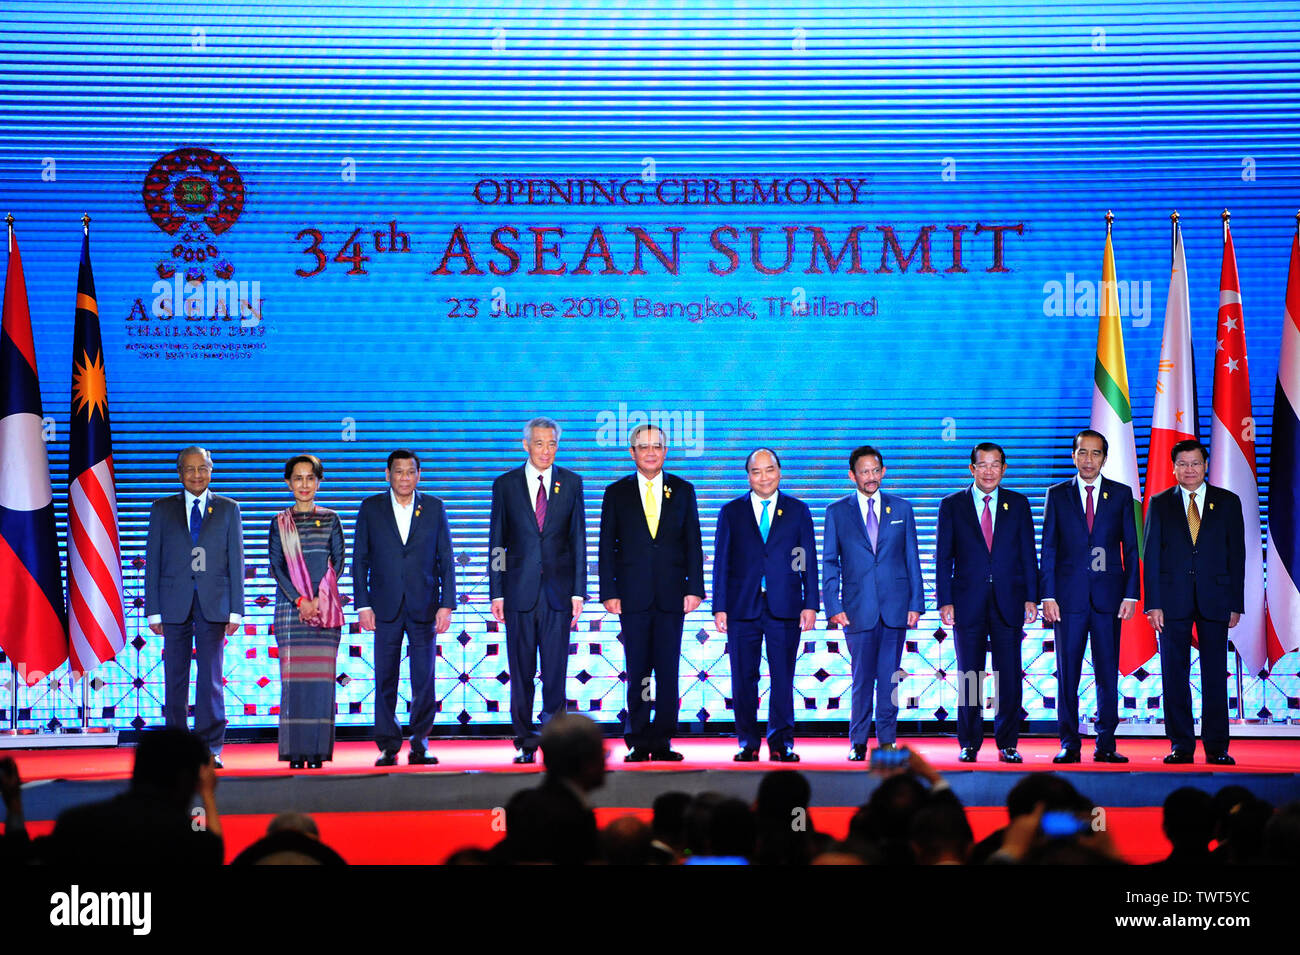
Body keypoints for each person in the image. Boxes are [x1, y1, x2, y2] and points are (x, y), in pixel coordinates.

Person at [598, 424, 704, 762]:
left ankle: (663, 739)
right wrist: (609, 591)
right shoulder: (616, 493)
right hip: (633, 596)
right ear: (632, 453)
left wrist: (695, 588)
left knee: (668, 670)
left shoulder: (684, 490)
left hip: (673, 596)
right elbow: (606, 547)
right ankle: (638, 739)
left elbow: (693, 544)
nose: (650, 452)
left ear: (666, 450)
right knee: (639, 671)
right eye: (643, 447)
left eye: (657, 446)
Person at [489, 417, 587, 764]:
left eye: (552, 444)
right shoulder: (505, 485)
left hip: (559, 594)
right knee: (522, 671)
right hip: (518, 593)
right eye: (540, 443)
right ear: (525, 445)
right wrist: (497, 592)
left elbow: (578, 540)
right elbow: (498, 543)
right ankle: (526, 742)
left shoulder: (572, 483)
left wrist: (579, 592)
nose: (546, 451)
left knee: (556, 672)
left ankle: (555, 742)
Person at [1040, 429, 1139, 764]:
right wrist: (1048, 595)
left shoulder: (1121, 494)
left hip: (1109, 600)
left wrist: (1131, 594)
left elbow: (1131, 548)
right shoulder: (1057, 495)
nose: (1088, 459)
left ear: (1104, 458)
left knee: (1106, 672)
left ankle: (1106, 742)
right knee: (1067, 672)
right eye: (1082, 452)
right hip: (1067, 600)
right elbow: (1049, 550)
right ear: (1073, 455)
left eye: (1095, 453)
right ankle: (1069, 742)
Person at [1144, 439, 1245, 766]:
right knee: (1174, 673)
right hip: (1171, 601)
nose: (1189, 469)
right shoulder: (1160, 503)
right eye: (1183, 464)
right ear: (1173, 468)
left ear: (1206, 466)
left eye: (1195, 463)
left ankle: (1217, 747)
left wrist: (1235, 602)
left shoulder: (1228, 502)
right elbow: (1151, 555)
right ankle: (1181, 745)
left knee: (1215, 674)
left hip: (1216, 598)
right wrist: (1153, 603)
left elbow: (1238, 555)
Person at [713, 448, 818, 762]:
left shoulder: (798, 510)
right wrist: (720, 606)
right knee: (743, 676)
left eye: (769, 470)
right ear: (748, 476)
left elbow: (807, 560)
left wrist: (810, 602)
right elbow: (722, 562)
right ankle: (747, 741)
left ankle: (781, 742)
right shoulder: (731, 512)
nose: (763, 477)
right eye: (756, 472)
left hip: (785, 605)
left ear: (780, 472)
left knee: (783, 675)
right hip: (741, 607)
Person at [936, 442, 1038, 763]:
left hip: (1009, 602)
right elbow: (943, 558)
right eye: (983, 465)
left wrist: (1032, 598)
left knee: (1009, 675)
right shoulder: (952, 505)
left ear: (1004, 469)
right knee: (971, 676)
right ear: (972, 469)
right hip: (967, 603)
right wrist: (945, 601)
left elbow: (1027, 555)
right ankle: (969, 741)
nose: (990, 470)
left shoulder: (1018, 504)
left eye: (996, 465)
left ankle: (1008, 743)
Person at [352, 449, 456, 766]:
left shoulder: (434, 508)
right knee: (385, 677)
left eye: (410, 472)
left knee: (424, 677)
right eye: (398, 472)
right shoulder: (371, 508)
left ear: (418, 475)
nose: (405, 478)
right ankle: (387, 745)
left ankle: (420, 743)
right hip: (384, 606)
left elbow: (446, 560)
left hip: (424, 605)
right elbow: (360, 561)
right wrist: (363, 605)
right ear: (388, 475)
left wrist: (447, 605)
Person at [822, 445, 924, 761]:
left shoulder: (902, 509)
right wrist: (833, 606)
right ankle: (857, 741)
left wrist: (916, 604)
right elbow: (829, 562)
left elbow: (912, 558)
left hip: (895, 608)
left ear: (883, 471)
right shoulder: (837, 512)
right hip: (856, 610)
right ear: (852, 475)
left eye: (875, 470)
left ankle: (887, 740)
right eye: (864, 471)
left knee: (890, 677)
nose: (871, 476)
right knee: (861, 679)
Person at [144, 446, 244, 768]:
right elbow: (153, 561)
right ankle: (175, 748)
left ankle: (209, 747)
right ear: (179, 473)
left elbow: (236, 562)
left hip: (214, 604)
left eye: (202, 468)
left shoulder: (228, 509)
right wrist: (153, 610)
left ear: (211, 469)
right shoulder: (162, 509)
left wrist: (237, 609)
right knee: (175, 676)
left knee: (211, 677)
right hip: (173, 605)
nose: (196, 475)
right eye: (190, 469)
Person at [267, 454, 345, 770]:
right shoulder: (279, 522)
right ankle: (295, 753)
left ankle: (317, 754)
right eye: (297, 478)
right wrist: (301, 601)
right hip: (291, 613)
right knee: (294, 683)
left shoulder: (331, 519)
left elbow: (338, 562)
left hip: (326, 612)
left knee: (321, 683)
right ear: (288, 483)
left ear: (318, 482)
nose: (304, 484)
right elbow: (276, 567)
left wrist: (318, 599)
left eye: (310, 478)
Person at [46, 728, 223, 865]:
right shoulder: (188, 839)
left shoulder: (74, 823)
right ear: (187, 781)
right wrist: (207, 795)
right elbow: (213, 850)